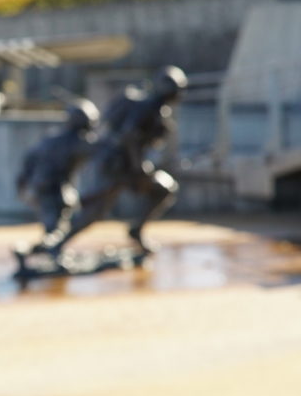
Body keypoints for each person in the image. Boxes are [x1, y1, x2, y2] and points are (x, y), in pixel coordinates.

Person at [43, 66, 187, 259]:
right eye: (177, 88)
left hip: (127, 165)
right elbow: (129, 136)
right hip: (116, 165)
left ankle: (136, 229)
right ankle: (57, 245)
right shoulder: (147, 107)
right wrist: (139, 167)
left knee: (164, 189)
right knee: (96, 210)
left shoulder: (157, 110)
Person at [13, 98, 99, 257]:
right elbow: (97, 149)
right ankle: (28, 252)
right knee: (55, 229)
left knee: (58, 226)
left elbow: (29, 160)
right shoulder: (75, 141)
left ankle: (50, 253)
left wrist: (22, 183)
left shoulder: (51, 139)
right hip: (52, 189)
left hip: (45, 188)